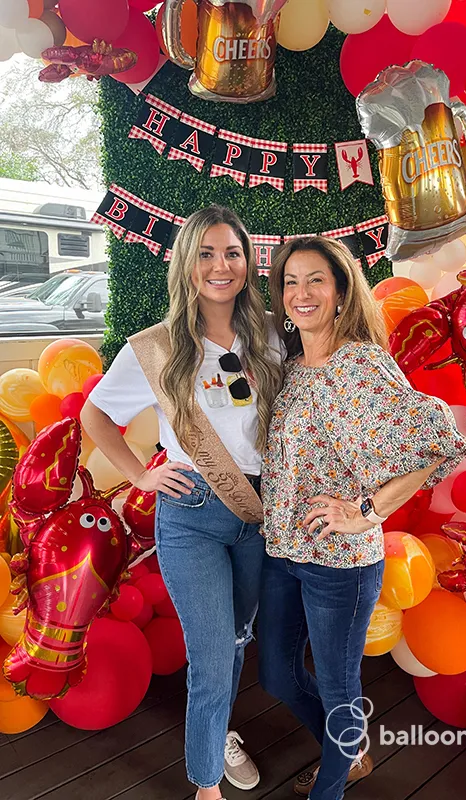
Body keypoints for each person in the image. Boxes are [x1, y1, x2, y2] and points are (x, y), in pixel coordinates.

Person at [258, 236, 466, 800]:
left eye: (315, 281)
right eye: (290, 282)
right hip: (284, 552)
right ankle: (348, 751)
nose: (301, 293)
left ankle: (329, 787)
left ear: (339, 290)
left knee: (338, 687)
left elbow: (436, 442)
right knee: (277, 675)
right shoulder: (291, 368)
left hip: (341, 565)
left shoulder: (360, 362)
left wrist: (364, 512)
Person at [81, 206, 284, 800]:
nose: (221, 266)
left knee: (237, 636)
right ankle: (206, 785)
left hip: (259, 511)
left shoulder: (273, 334)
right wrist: (141, 478)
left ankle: (215, 724)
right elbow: (96, 414)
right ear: (186, 264)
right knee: (214, 652)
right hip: (192, 511)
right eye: (206, 253)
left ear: (249, 262)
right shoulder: (156, 347)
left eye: (232, 253)